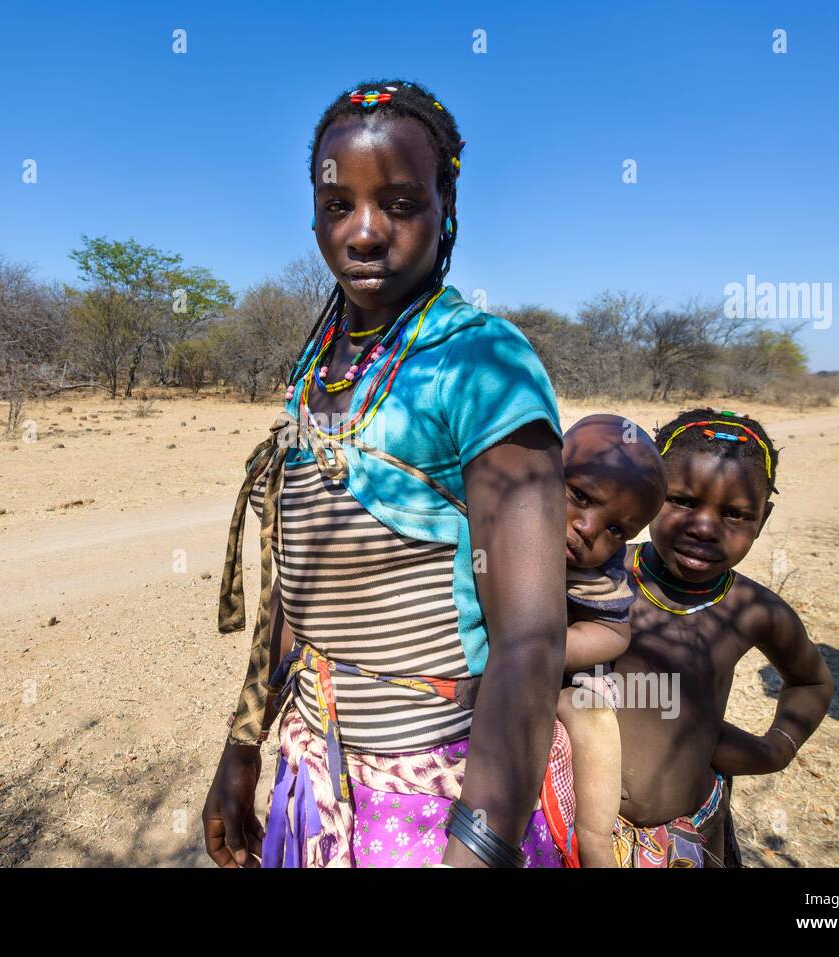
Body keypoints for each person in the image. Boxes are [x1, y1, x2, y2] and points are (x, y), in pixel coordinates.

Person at [200, 79, 570, 867]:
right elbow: (300, 580)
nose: (364, 232)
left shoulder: (483, 363)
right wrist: (242, 744)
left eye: (400, 203)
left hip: (430, 801)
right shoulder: (319, 362)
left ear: (448, 208)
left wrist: (482, 840)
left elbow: (530, 641)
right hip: (313, 771)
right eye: (339, 206)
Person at [612, 409, 835, 867]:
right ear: (651, 489)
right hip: (564, 823)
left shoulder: (754, 611)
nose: (706, 527)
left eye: (735, 514)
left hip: (686, 838)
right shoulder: (600, 574)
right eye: (684, 501)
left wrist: (777, 748)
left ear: (763, 518)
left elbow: (811, 682)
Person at [556, 414, 666, 866]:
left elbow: (612, 631)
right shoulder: (491, 511)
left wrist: (550, 650)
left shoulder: (598, 570)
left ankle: (597, 841)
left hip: (552, 681)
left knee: (595, 717)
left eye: (616, 529)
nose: (588, 527)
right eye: (579, 496)